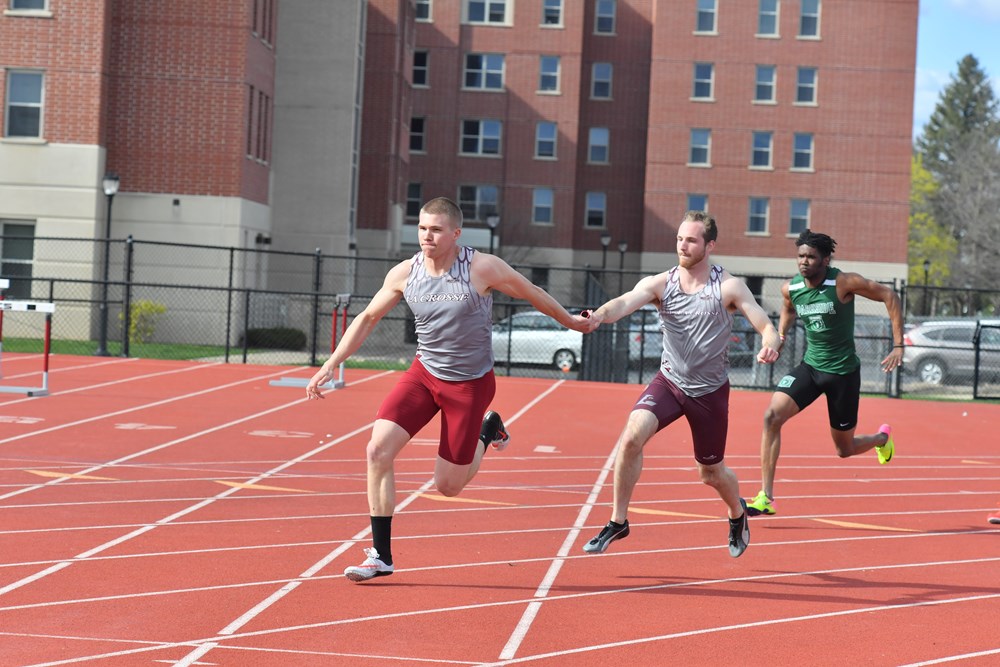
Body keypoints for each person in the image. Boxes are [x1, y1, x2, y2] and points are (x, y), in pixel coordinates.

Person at [306, 196, 594, 582]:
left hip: (469, 385)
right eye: (422, 228)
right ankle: (381, 556)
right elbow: (368, 317)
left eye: (437, 230)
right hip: (424, 375)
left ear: (456, 233)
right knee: (377, 450)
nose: (427, 236)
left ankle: (488, 429)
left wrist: (571, 322)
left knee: (448, 486)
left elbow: (531, 292)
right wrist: (331, 363)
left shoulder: (481, 267)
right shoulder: (405, 273)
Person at [581, 211, 781, 558]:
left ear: (709, 245)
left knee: (711, 473)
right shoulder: (662, 283)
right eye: (679, 239)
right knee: (631, 438)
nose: (682, 246)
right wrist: (598, 315)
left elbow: (766, 325)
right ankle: (618, 521)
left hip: (709, 393)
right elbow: (624, 302)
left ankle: (736, 512)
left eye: (691, 240)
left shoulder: (728, 287)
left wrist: (770, 343)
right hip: (670, 382)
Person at [746, 230, 905, 517]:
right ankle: (766, 497)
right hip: (811, 368)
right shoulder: (791, 288)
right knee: (771, 417)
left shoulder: (843, 282)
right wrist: (778, 340)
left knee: (844, 450)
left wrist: (898, 345)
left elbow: (889, 295)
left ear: (825, 260)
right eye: (800, 256)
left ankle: (882, 439)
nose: (804, 262)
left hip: (843, 374)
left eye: (811, 257)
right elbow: (788, 310)